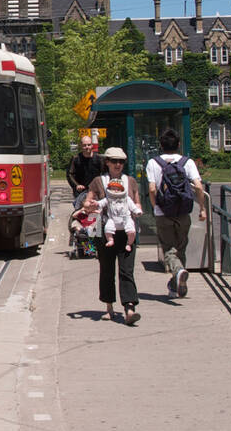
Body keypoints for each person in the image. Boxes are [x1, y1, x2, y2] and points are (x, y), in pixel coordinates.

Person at [145, 127, 208, 299]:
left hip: (163, 212)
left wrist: (155, 206)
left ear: (161, 145)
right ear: (179, 144)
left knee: (168, 250)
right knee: (181, 249)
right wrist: (202, 208)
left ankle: (178, 271)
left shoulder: (153, 163)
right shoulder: (187, 162)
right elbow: (199, 187)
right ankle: (178, 286)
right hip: (183, 212)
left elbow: (152, 188)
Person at [83, 147, 142, 324]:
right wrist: (90, 206)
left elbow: (137, 201)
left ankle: (129, 307)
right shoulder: (98, 182)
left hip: (126, 232)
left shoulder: (130, 181)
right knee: (106, 270)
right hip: (105, 232)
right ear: (107, 162)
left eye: (121, 162)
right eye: (114, 161)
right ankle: (109, 307)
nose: (118, 165)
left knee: (127, 270)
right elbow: (87, 202)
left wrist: (138, 210)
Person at [95, 176, 140, 251]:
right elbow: (101, 203)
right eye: (113, 189)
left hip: (126, 219)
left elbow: (133, 206)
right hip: (113, 219)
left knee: (132, 231)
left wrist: (137, 211)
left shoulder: (126, 198)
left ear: (122, 190)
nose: (115, 191)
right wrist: (96, 203)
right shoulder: (108, 199)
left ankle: (129, 243)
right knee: (107, 228)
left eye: (118, 189)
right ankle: (110, 240)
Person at [66, 136, 103, 206]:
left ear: (92, 145)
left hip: (96, 191)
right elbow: (70, 174)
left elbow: (103, 173)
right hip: (81, 191)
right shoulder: (76, 159)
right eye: (84, 145)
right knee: (81, 212)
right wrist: (76, 185)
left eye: (89, 145)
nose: (87, 147)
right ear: (81, 146)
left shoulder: (98, 159)